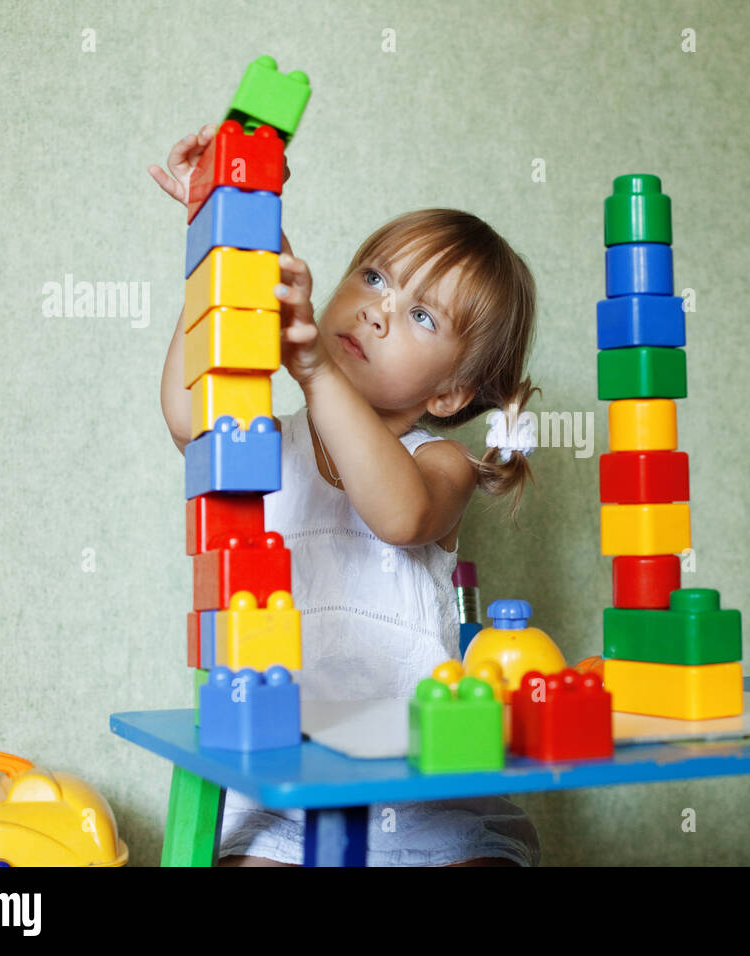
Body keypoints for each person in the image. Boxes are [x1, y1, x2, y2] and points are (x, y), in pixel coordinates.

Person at [150, 124, 543, 866]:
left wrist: (315, 371)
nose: (378, 309)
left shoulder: (440, 464)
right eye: (373, 277)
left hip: (426, 796)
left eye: (422, 316)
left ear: (453, 392)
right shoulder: (264, 442)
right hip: (283, 802)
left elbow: (398, 517)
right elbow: (185, 412)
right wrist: (220, 238)